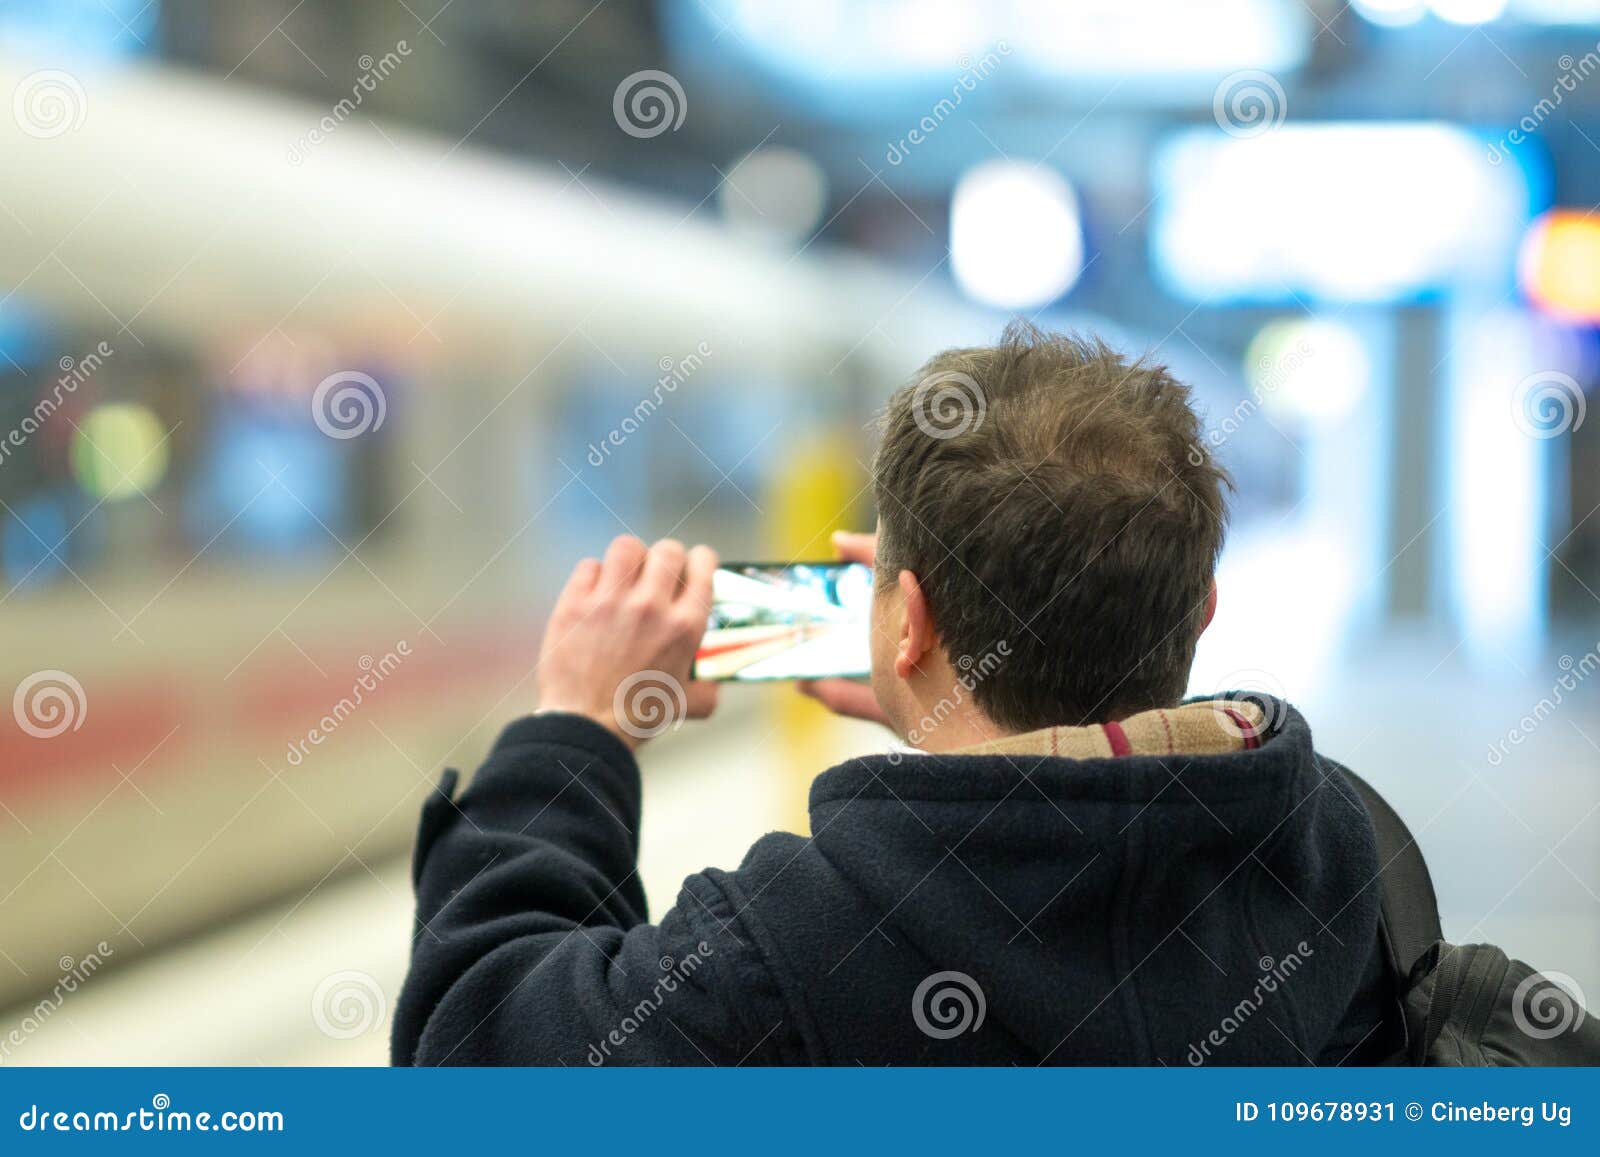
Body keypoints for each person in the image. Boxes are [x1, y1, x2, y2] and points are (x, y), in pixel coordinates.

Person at [391, 322, 1398, 1066]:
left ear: (905, 621)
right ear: (1204, 604)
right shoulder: (1329, 844)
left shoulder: (793, 944)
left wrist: (576, 729)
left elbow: (470, 1046)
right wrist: (957, 713)